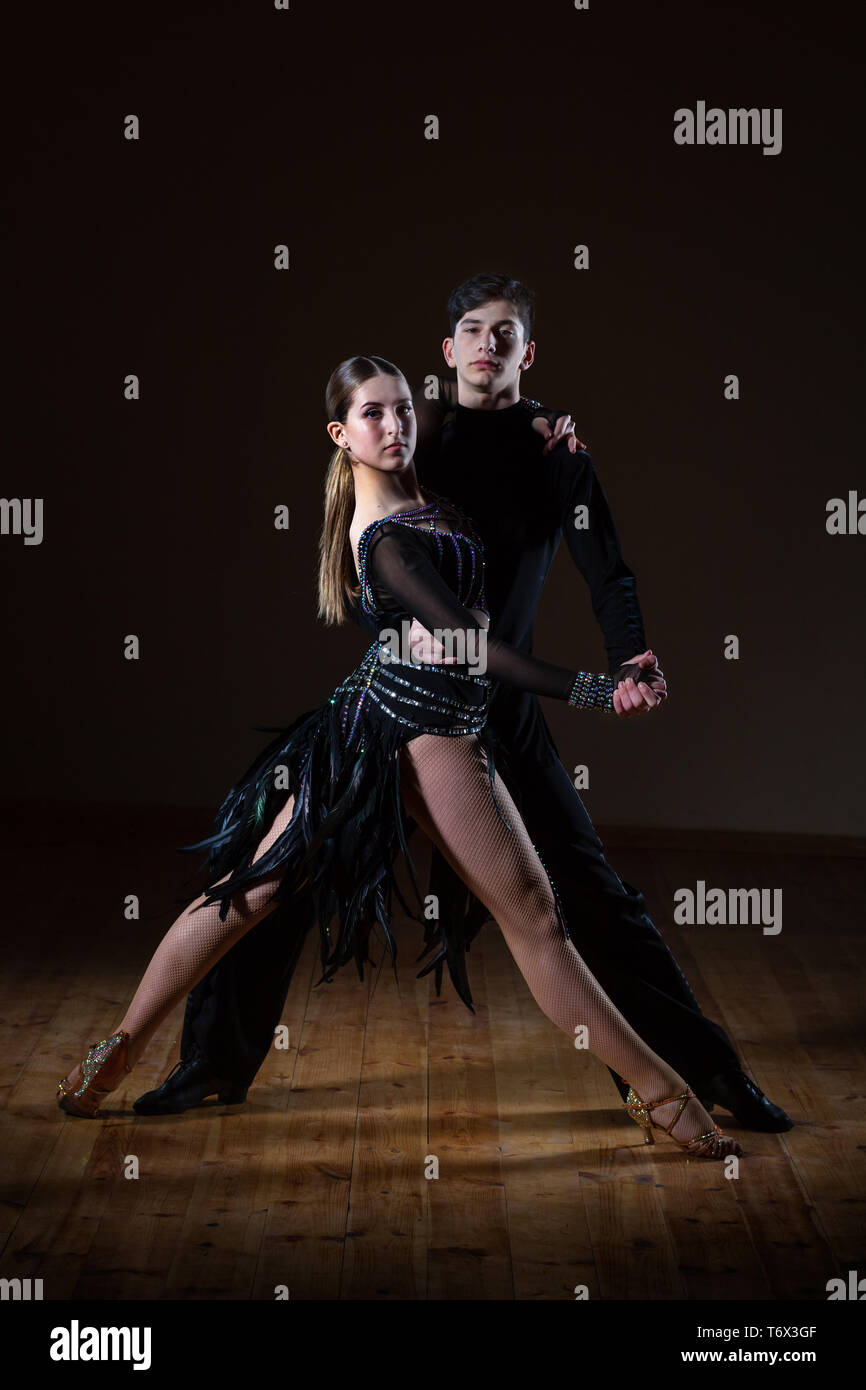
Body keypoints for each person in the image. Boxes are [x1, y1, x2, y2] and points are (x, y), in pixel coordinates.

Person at [57, 354, 742, 1160]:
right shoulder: (384, 542)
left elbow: (475, 421)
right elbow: (474, 646)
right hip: (405, 732)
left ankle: (660, 1092)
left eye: (403, 409)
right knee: (259, 897)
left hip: (423, 714)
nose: (394, 425)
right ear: (340, 435)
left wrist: (539, 423)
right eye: (373, 415)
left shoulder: (428, 496)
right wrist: (594, 690)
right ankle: (123, 1046)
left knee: (527, 914)